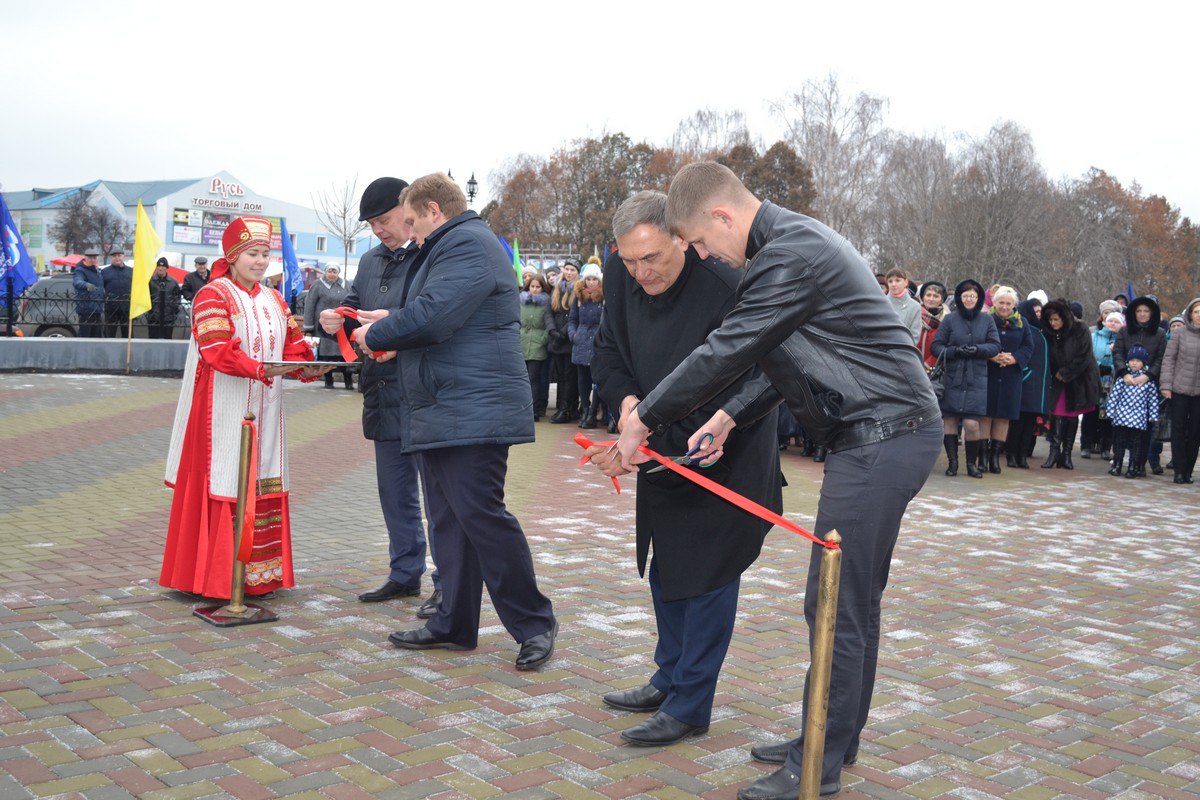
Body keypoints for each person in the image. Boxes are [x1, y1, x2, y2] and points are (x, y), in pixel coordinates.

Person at [614, 162, 942, 800]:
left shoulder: (789, 254)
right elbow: (778, 356)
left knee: (835, 604)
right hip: (876, 434)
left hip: (883, 436)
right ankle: (830, 737)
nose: (705, 255)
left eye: (702, 243)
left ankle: (817, 762)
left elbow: (730, 347)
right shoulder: (790, 246)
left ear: (722, 217)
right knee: (847, 600)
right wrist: (730, 417)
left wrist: (644, 417)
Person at [586, 191, 782, 748]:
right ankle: (668, 676)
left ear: (682, 239)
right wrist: (626, 403)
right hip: (652, 442)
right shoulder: (623, 272)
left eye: (653, 259)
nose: (641, 272)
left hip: (722, 453)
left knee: (709, 575)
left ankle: (692, 703)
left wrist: (648, 429)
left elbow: (746, 378)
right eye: (629, 261)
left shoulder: (727, 286)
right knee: (668, 562)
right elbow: (608, 349)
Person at [352, 173, 557, 671]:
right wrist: (391, 320)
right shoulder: (451, 244)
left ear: (432, 210)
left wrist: (378, 333)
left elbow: (433, 316)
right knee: (449, 518)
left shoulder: (465, 243)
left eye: (411, 222)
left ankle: (534, 622)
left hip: (472, 407)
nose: (409, 232)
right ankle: (453, 622)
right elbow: (434, 313)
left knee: (481, 516)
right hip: (448, 407)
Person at [161, 217, 329, 599]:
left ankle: (257, 578)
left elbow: (292, 345)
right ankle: (213, 578)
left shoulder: (274, 297)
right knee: (224, 474)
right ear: (233, 255)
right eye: (252, 253)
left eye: (264, 254)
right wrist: (257, 368)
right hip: (220, 405)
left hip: (266, 405)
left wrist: (308, 365)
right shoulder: (212, 295)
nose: (259, 261)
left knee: (264, 475)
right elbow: (217, 350)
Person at [319, 177, 441, 615]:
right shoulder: (370, 261)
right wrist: (333, 319)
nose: (379, 231)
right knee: (394, 493)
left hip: (423, 392)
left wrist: (394, 322)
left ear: (409, 211)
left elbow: (434, 315)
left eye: (384, 221)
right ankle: (403, 572)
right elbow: (354, 304)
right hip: (381, 391)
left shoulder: (433, 255)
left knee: (438, 497)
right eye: (372, 225)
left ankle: (446, 582)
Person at [930, 279, 1002, 478]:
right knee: (950, 420)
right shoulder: (950, 320)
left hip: (976, 378)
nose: (969, 299)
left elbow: (995, 345)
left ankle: (972, 464)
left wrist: (977, 350)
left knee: (972, 424)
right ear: (959, 298)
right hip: (952, 376)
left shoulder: (987, 320)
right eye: (965, 295)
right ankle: (953, 463)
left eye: (973, 296)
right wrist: (955, 351)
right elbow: (936, 346)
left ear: (978, 298)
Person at [1040, 299, 1100, 469]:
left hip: (1079, 379)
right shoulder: (1048, 332)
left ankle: (1066, 454)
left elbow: (1084, 355)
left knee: (1072, 415)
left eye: (1056, 320)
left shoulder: (1080, 328)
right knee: (1057, 414)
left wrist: (1066, 372)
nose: (1053, 323)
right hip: (1057, 380)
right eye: (1050, 320)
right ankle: (1054, 451)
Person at [980, 286, 1032, 474]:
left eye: (1008, 303)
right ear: (994, 303)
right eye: (1001, 302)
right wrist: (991, 356)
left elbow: (1028, 347)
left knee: (1003, 416)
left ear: (1014, 305)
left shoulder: (1022, 323)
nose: (1004, 307)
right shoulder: (985, 319)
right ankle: (983, 456)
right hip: (988, 373)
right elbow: (978, 342)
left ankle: (995, 457)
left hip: (1011, 376)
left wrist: (1014, 358)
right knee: (986, 415)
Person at [1113, 296, 1166, 474]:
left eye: (1146, 311)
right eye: (1139, 311)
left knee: (1144, 430)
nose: (1142, 314)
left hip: (1147, 385)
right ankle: (1118, 461)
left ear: (1152, 313)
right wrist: (1124, 372)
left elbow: (1161, 358)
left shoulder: (1158, 334)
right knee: (1121, 429)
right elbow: (1118, 353)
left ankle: (1138, 463)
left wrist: (1149, 375)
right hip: (1125, 382)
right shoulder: (1124, 332)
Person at [1160, 298, 1200, 483]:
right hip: (1179, 389)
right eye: (1197, 311)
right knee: (1178, 429)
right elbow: (1169, 360)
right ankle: (1178, 470)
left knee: (1195, 432)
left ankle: (1188, 470)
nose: (1199, 315)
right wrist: (1166, 385)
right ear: (1190, 314)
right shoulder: (1180, 334)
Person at [1008, 297, 1051, 468]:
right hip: (1025, 381)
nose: (1039, 314)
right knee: (1018, 423)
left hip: (1038, 385)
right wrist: (1024, 373)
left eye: (1041, 311)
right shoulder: (1022, 329)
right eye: (1036, 311)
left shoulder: (1042, 331)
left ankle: (1022, 455)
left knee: (1029, 424)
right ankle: (1012, 454)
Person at [1107, 345, 1159, 477]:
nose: (1134, 363)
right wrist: (1111, 411)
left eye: (1138, 360)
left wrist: (1153, 415)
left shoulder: (1148, 382)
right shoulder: (1123, 379)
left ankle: (1132, 466)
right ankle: (1117, 464)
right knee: (1119, 442)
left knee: (1136, 444)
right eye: (1132, 360)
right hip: (1122, 416)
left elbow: (1153, 400)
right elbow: (1114, 396)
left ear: (1143, 363)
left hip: (1139, 418)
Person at [303, 265, 354, 390]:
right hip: (323, 326)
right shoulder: (318, 285)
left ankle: (348, 381)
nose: (332, 273)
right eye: (329, 271)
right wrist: (308, 328)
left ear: (338, 273)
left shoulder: (345, 285)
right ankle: (328, 380)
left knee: (344, 354)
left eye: (334, 271)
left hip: (341, 325)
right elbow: (310, 305)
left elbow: (352, 302)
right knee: (326, 355)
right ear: (325, 272)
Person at [1082, 308, 1123, 460]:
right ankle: (1086, 445)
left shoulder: (1123, 339)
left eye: (1116, 321)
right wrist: (1098, 365)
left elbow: (1126, 359)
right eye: (1110, 320)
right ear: (1105, 322)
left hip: (1113, 381)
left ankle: (1105, 447)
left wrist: (1112, 368)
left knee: (1108, 416)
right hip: (1094, 378)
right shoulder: (1094, 336)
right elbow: (1086, 355)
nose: (1113, 323)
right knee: (1091, 412)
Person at [569, 263, 605, 429]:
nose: (591, 282)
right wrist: (573, 335)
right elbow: (572, 320)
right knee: (582, 379)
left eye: (594, 279)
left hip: (597, 341)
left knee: (596, 378)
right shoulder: (579, 297)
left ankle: (592, 412)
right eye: (588, 279)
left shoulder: (603, 297)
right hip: (581, 340)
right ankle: (585, 409)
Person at [546, 258, 580, 423]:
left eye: (573, 270)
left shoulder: (579, 289)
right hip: (556, 340)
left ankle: (567, 408)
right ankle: (562, 406)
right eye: (567, 269)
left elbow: (575, 317)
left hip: (569, 339)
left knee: (569, 376)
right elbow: (549, 312)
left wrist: (563, 333)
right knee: (560, 376)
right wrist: (553, 331)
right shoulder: (556, 289)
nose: (569, 272)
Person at [520, 272, 551, 420]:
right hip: (522, 343)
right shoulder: (521, 302)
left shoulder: (546, 304)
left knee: (533, 379)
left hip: (537, 346)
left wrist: (542, 340)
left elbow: (548, 325)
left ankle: (534, 410)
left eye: (538, 287)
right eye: (532, 286)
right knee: (522, 379)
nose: (534, 289)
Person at [147, 257, 182, 339]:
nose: (160, 268)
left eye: (163, 266)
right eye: (159, 266)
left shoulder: (173, 282)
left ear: (166, 268)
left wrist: (175, 309)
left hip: (168, 317)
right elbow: (146, 296)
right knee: (153, 339)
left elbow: (177, 297)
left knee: (167, 339)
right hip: (153, 316)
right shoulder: (150, 281)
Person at [72, 248, 105, 337]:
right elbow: (77, 281)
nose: (92, 260)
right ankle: (82, 351)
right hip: (86, 309)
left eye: (94, 258)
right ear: (85, 258)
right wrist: (86, 285)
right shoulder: (80, 270)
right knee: (85, 336)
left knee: (97, 336)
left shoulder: (97, 271)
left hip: (97, 308)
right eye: (90, 258)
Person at [884, 268, 921, 345]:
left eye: (897, 280)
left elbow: (915, 336)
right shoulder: (881, 303)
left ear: (905, 282)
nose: (894, 284)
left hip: (903, 351)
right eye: (890, 281)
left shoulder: (915, 306)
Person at [102, 248, 133, 338]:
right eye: (114, 256)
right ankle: (108, 351)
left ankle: (127, 352)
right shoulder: (105, 272)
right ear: (111, 258)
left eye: (119, 256)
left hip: (127, 307)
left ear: (123, 257)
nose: (117, 258)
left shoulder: (131, 271)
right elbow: (100, 287)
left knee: (128, 335)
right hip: (111, 308)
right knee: (109, 334)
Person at [916, 281, 948, 368]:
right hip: (912, 365)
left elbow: (945, 345)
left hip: (934, 368)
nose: (931, 299)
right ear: (922, 297)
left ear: (941, 300)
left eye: (936, 296)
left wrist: (928, 364)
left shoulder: (947, 320)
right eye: (928, 295)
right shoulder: (914, 314)